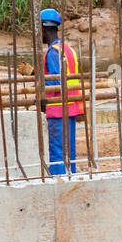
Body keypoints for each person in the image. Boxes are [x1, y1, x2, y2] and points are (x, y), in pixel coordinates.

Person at [39, 9, 83, 175]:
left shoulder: (52, 52)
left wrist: (39, 79)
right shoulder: (66, 48)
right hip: (71, 107)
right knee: (69, 151)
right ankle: (69, 178)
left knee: (57, 152)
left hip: (57, 109)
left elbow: (56, 81)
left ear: (44, 30)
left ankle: (58, 182)